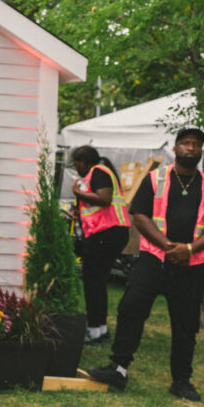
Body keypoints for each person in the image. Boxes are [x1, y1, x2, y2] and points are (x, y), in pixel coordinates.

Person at [88, 128, 204, 401]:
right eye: (186, 144)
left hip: (193, 265)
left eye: (196, 145)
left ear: (201, 152)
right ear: (175, 149)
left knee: (186, 323)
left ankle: (181, 380)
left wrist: (188, 249)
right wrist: (166, 246)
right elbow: (139, 216)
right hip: (154, 259)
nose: (191, 149)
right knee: (131, 308)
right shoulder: (155, 179)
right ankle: (118, 369)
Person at [70, 145, 131, 344]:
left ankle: (95, 330)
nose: (76, 167)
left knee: (92, 281)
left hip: (106, 232)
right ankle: (100, 329)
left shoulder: (98, 172)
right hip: (109, 232)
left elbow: (104, 199)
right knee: (97, 281)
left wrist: (78, 194)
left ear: (84, 161)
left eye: (76, 163)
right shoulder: (97, 175)